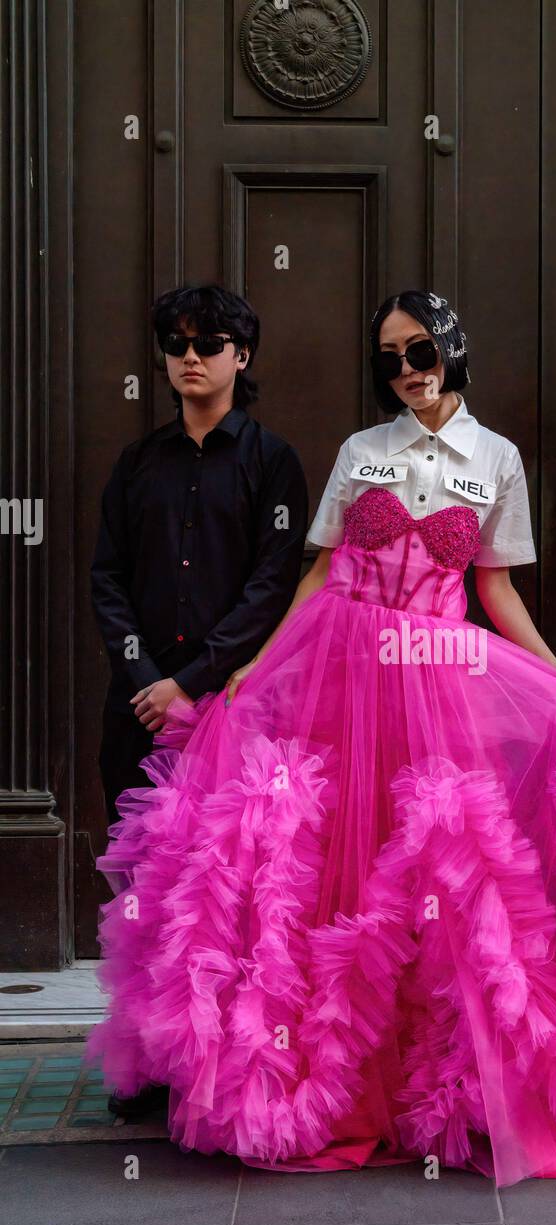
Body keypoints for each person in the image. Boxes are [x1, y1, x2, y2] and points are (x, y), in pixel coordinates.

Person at [85, 289, 556, 1188]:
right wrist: (257, 665)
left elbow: (495, 589)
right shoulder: (363, 450)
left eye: (421, 351)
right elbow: (321, 572)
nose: (406, 371)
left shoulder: (496, 457)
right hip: (344, 664)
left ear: (452, 349)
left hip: (441, 671)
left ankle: (439, 1088)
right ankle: (341, 1081)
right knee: (339, 864)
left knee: (442, 868)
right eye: (390, 358)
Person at [91, 284, 308, 827]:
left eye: (209, 343)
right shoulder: (136, 463)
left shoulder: (273, 461)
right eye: (177, 344)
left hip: (235, 700)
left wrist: (189, 682)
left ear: (242, 355)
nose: (191, 357)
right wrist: (147, 681)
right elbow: (108, 577)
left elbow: (272, 586)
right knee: (136, 854)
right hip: (140, 705)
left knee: (227, 858)